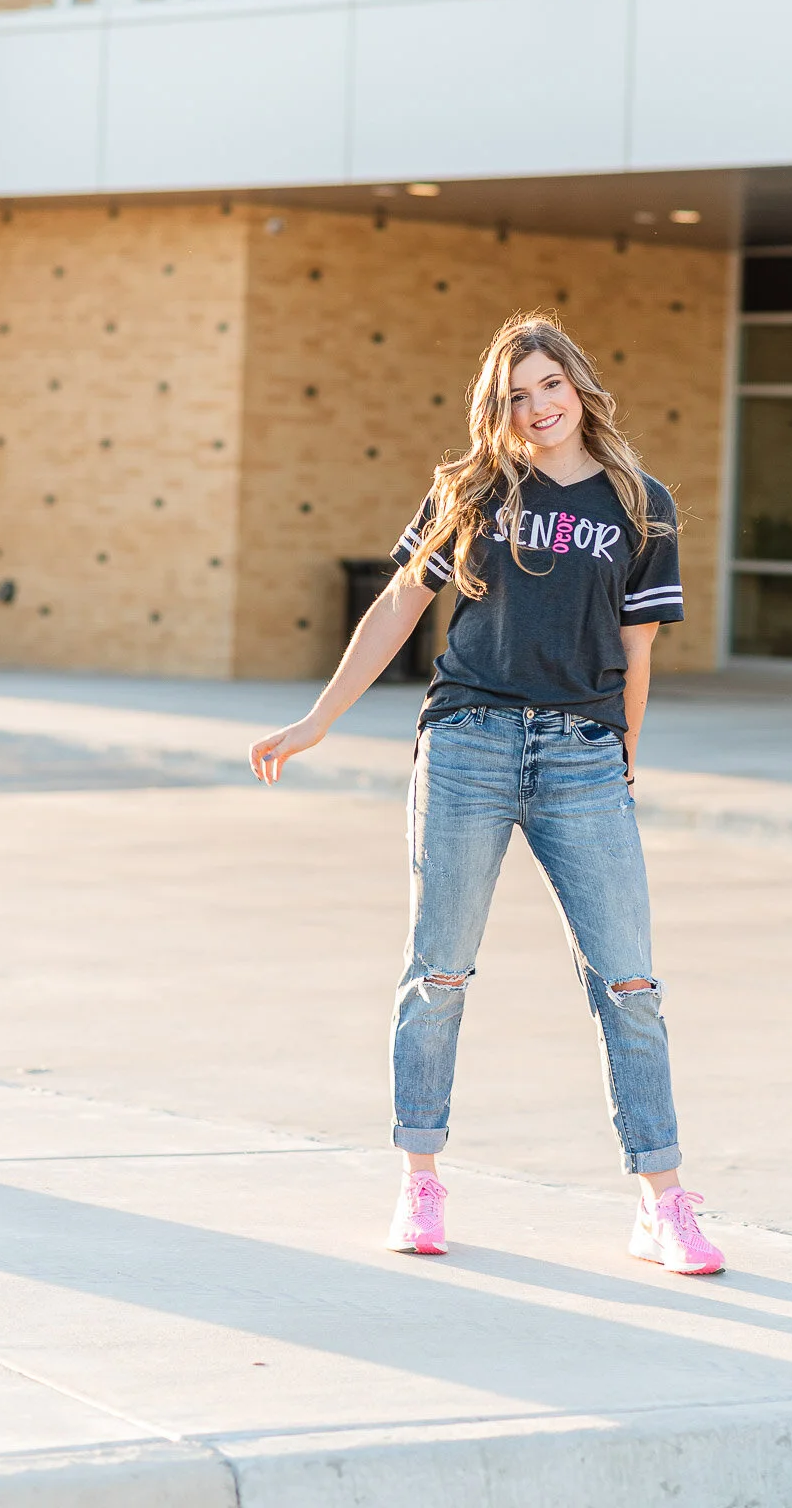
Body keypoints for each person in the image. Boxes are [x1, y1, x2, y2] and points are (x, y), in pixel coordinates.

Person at [249, 311, 723, 1276]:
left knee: (629, 981)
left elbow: (639, 649)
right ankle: (419, 1182)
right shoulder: (470, 489)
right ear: (496, 407)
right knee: (440, 974)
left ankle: (662, 1204)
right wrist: (318, 720)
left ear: (579, 386)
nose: (536, 407)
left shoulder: (643, 503)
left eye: (549, 385)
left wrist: (622, 756)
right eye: (515, 395)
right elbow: (398, 609)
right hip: (466, 742)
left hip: (583, 756)